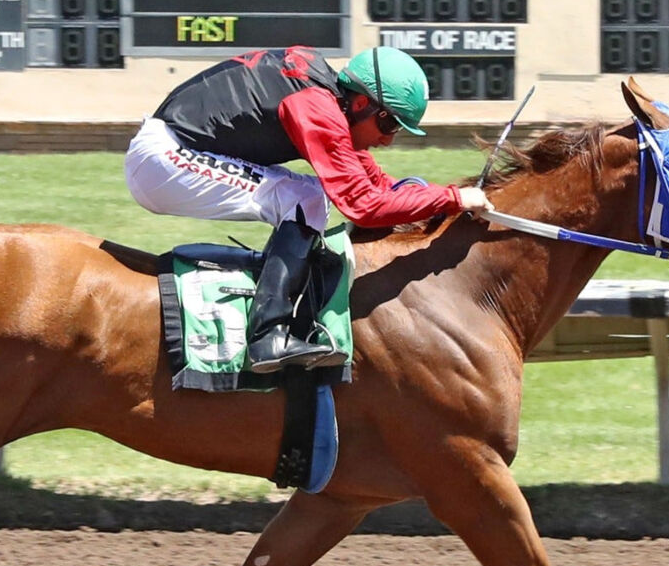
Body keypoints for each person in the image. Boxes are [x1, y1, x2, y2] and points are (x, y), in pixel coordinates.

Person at [125, 44, 492, 372]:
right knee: (305, 198)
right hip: (165, 159)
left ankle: (278, 314)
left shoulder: (328, 98)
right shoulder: (317, 108)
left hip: (177, 149)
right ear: (362, 103)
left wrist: (429, 197)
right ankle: (268, 335)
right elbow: (362, 206)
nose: (388, 138)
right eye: (388, 123)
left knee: (307, 193)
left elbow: (376, 184)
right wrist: (455, 198)